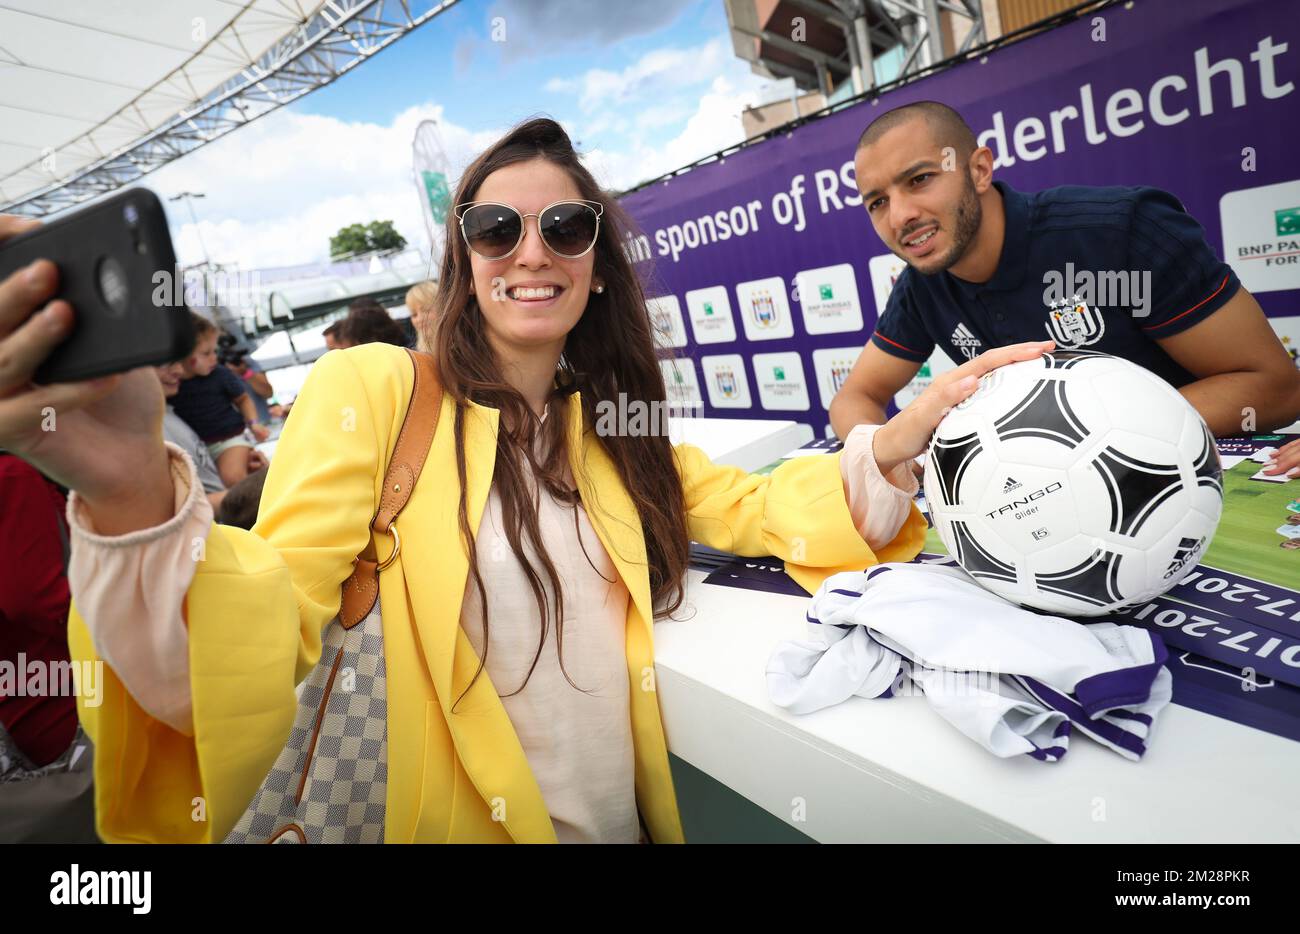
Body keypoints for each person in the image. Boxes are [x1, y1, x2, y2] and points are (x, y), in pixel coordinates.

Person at [0, 119, 1049, 844]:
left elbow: (763, 505)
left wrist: (901, 434)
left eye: (565, 226)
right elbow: (253, 636)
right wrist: (135, 493)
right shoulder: (373, 386)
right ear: (464, 255)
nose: (529, 250)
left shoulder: (614, 437)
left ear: (596, 262)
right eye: (495, 228)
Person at [830, 100, 1300, 441]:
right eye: (877, 203)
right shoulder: (922, 285)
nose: (899, 216)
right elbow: (855, 398)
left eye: (919, 180)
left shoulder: (1120, 230)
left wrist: (1081, 436)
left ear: (978, 170)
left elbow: (1277, 389)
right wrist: (882, 453)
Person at [170, 311, 271, 487]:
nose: (214, 358)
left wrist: (253, 423)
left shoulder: (219, 374)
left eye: (214, 351)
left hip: (230, 440)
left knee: (233, 478)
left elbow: (243, 399)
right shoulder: (173, 385)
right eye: (206, 353)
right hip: (198, 448)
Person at [157, 357, 268, 513]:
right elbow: (176, 511)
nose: (179, 370)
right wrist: (251, 490)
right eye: (163, 364)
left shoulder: (172, 415)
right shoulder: (154, 428)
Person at [405, 280, 437, 351]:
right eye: (414, 314)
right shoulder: (413, 354)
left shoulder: (464, 344)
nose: (420, 319)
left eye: (426, 310)